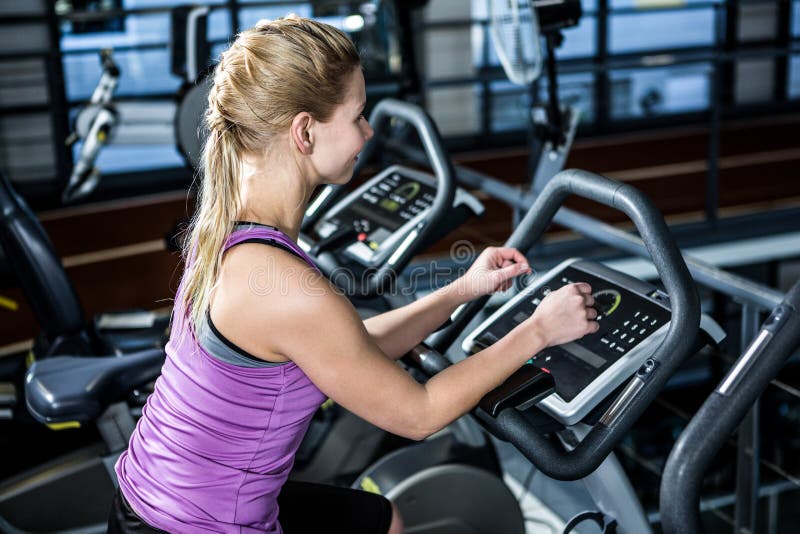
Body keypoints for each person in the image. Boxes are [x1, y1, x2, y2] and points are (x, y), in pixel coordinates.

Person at [108, 15, 599, 534]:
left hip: (156, 495)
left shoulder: (228, 229)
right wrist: (539, 330)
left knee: (380, 519)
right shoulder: (283, 285)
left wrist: (462, 289)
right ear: (304, 131)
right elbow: (420, 413)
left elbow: (345, 348)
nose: (368, 131)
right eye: (358, 116)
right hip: (192, 525)